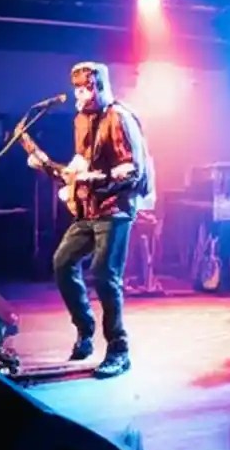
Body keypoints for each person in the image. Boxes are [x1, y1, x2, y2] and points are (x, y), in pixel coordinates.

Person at [22, 62, 152, 379]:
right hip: (89, 210)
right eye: (77, 89)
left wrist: (92, 181)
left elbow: (132, 171)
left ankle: (119, 349)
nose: (80, 94)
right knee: (62, 262)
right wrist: (55, 171)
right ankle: (85, 329)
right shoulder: (81, 120)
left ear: (99, 86)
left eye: (85, 88)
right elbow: (81, 163)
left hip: (115, 209)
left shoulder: (118, 117)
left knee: (104, 274)